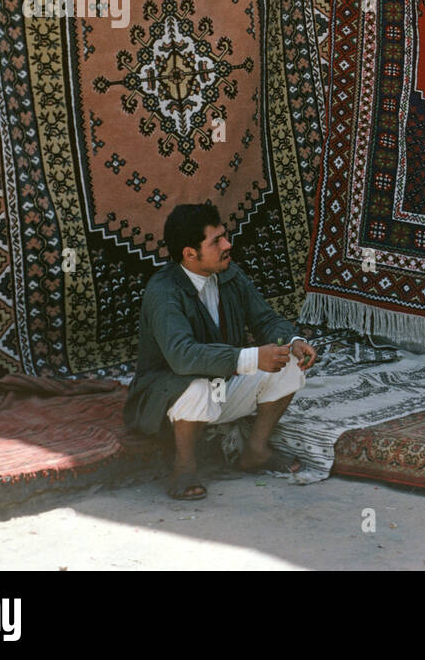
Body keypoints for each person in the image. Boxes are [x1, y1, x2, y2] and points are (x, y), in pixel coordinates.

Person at [124, 203, 317, 500]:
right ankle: (185, 467)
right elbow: (183, 356)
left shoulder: (228, 273)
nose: (228, 245)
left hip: (220, 386)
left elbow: (264, 319)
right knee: (199, 386)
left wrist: (292, 342)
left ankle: (255, 451)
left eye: (224, 236)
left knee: (288, 364)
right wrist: (252, 358)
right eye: (216, 241)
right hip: (167, 399)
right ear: (190, 254)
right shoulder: (163, 291)